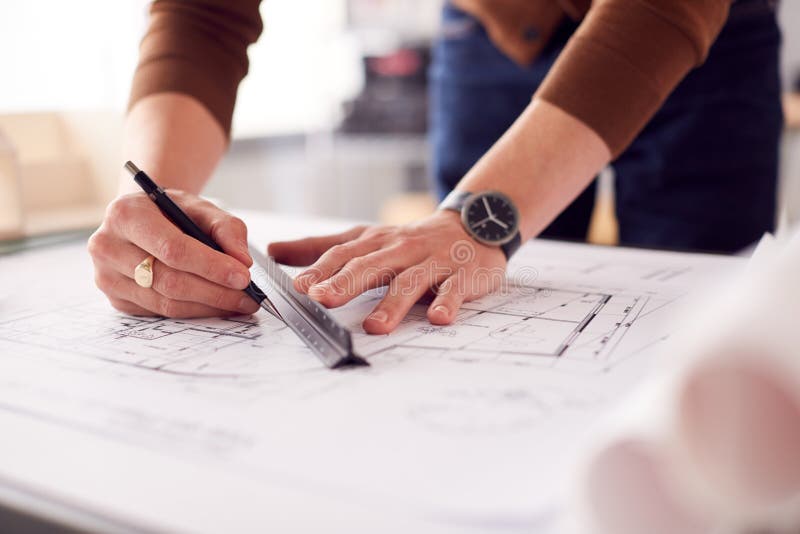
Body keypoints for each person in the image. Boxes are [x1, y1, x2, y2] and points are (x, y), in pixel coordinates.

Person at [88, 0, 782, 335]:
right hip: (495, 29)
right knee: (463, 313)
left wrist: (479, 219)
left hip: (700, 32)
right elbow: (205, 15)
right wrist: (154, 205)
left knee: (699, 333)